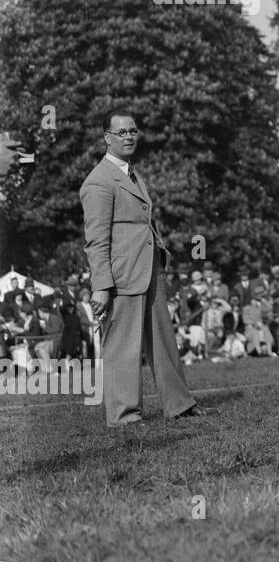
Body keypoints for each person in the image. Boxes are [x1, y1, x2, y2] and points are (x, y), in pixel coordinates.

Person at [79, 108, 201, 426]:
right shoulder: (99, 182)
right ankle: (124, 416)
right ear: (107, 138)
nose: (130, 136)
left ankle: (180, 404)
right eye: (122, 132)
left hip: (150, 269)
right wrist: (101, 286)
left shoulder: (131, 173)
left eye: (133, 131)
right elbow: (95, 240)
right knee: (122, 346)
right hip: (122, 277)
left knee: (163, 340)